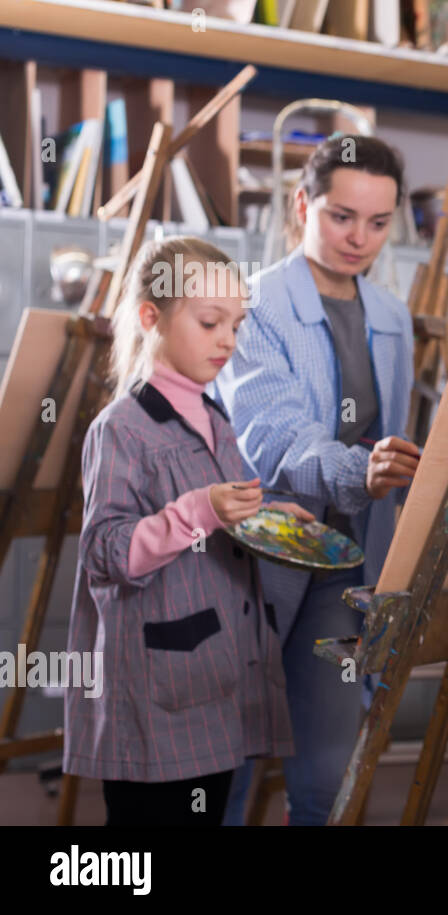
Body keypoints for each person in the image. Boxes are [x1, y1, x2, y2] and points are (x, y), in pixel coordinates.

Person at [216, 135, 419, 825]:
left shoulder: (392, 316)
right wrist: (361, 469)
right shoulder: (254, 304)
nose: (359, 238)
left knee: (330, 768)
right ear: (303, 204)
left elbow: (395, 438)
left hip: (348, 565)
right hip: (260, 557)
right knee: (231, 751)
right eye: (340, 215)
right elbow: (275, 439)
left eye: (378, 222)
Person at [65, 236, 302, 826]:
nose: (228, 339)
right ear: (152, 317)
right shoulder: (121, 428)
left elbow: (220, 509)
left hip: (216, 682)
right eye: (209, 322)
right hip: (157, 695)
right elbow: (106, 551)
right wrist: (201, 509)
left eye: (236, 324)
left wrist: (266, 514)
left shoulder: (215, 415)